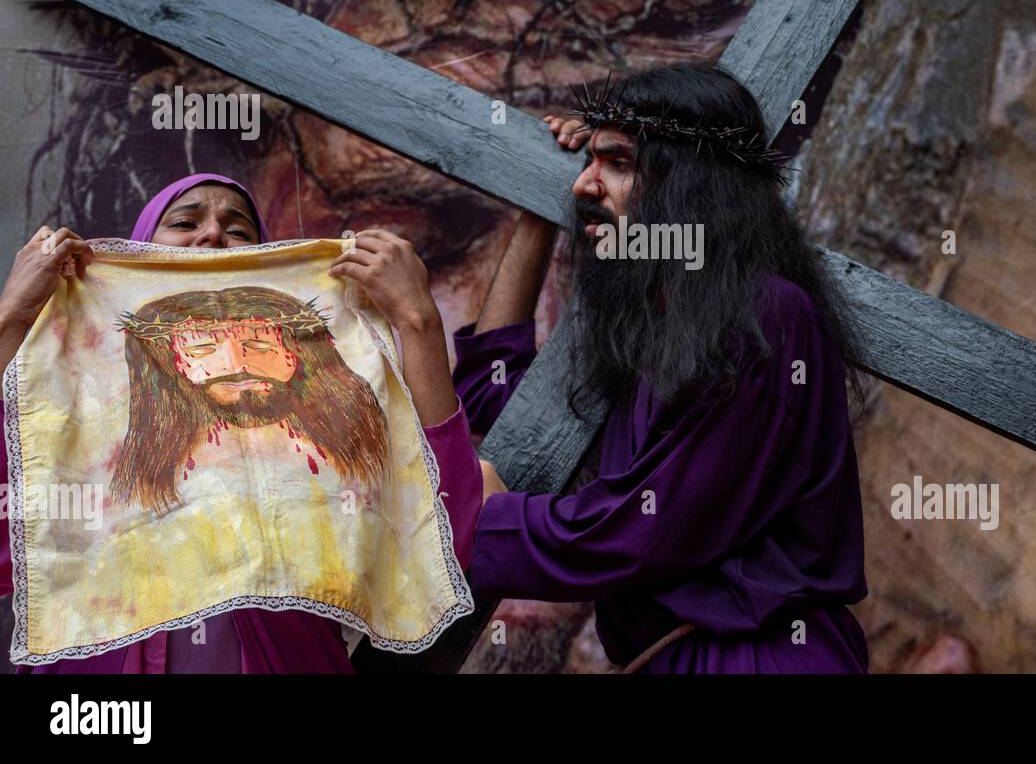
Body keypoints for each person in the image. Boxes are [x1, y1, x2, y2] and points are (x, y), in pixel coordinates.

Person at [454, 63, 871, 673]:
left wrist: (490, 521)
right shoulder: (650, 333)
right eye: (589, 163)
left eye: (618, 163)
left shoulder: (768, 315)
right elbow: (494, 397)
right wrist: (539, 211)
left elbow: (649, 528)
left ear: (690, 188)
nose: (585, 185)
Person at [0, 173, 482, 673]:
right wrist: (12, 316)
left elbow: (444, 536)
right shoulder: (80, 415)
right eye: (185, 222)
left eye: (238, 231)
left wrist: (418, 322)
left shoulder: (332, 435)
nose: (212, 234)